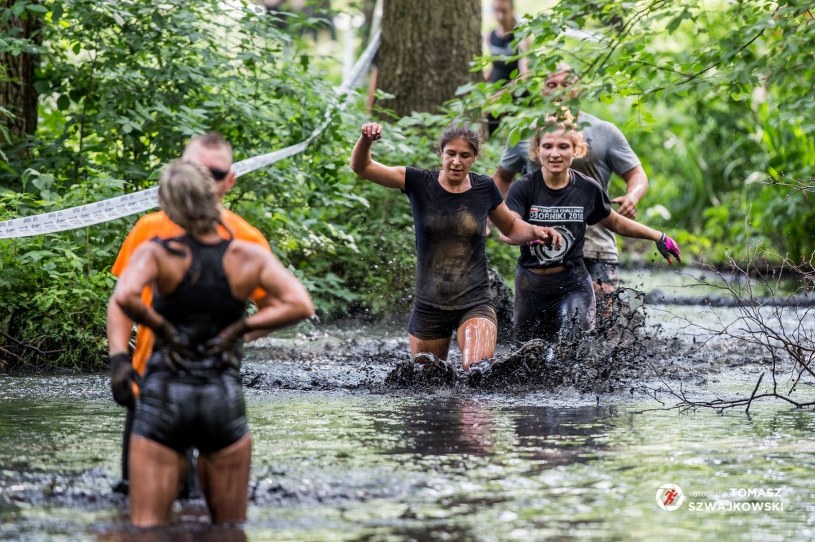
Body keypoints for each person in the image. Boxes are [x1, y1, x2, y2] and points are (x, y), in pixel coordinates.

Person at [108, 160, 314, 526]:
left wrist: (163, 328)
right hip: (221, 396)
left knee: (147, 527)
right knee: (228, 529)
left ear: (168, 206)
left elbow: (125, 297)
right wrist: (238, 330)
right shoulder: (246, 255)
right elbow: (300, 304)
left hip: (165, 393)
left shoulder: (156, 252)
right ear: (211, 197)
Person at [350, 121, 563, 371]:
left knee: (477, 374)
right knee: (426, 382)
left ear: (474, 158)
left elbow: (511, 228)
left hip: (475, 300)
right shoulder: (417, 181)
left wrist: (537, 231)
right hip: (429, 302)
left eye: (465, 155)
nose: (456, 161)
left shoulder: (485, 187)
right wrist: (366, 139)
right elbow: (362, 167)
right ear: (441, 153)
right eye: (451, 153)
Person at [503, 112, 680, 343]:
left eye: (563, 146)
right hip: (530, 284)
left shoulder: (587, 188)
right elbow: (507, 231)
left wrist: (657, 236)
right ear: (537, 150)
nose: (555, 153)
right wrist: (533, 233)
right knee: (528, 356)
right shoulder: (523, 188)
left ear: (576, 150)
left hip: (573, 283)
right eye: (547, 146)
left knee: (572, 343)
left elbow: (614, 222)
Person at [493, 65, 649, 300]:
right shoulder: (525, 133)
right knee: (546, 324)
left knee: (602, 317)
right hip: (542, 244)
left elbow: (636, 174)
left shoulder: (604, 131)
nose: (559, 92)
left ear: (578, 91)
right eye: (552, 85)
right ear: (543, 91)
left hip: (596, 243)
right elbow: (502, 178)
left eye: (566, 85)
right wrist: (501, 220)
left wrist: (632, 196)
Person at [484, 0, 529, 137]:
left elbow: (525, 75)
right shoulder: (490, 36)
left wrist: (500, 95)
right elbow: (493, 67)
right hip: (495, 97)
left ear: (512, 9)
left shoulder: (521, 36)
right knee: (485, 135)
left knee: (523, 138)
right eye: (496, 11)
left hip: (518, 97)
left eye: (504, 11)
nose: (500, 16)